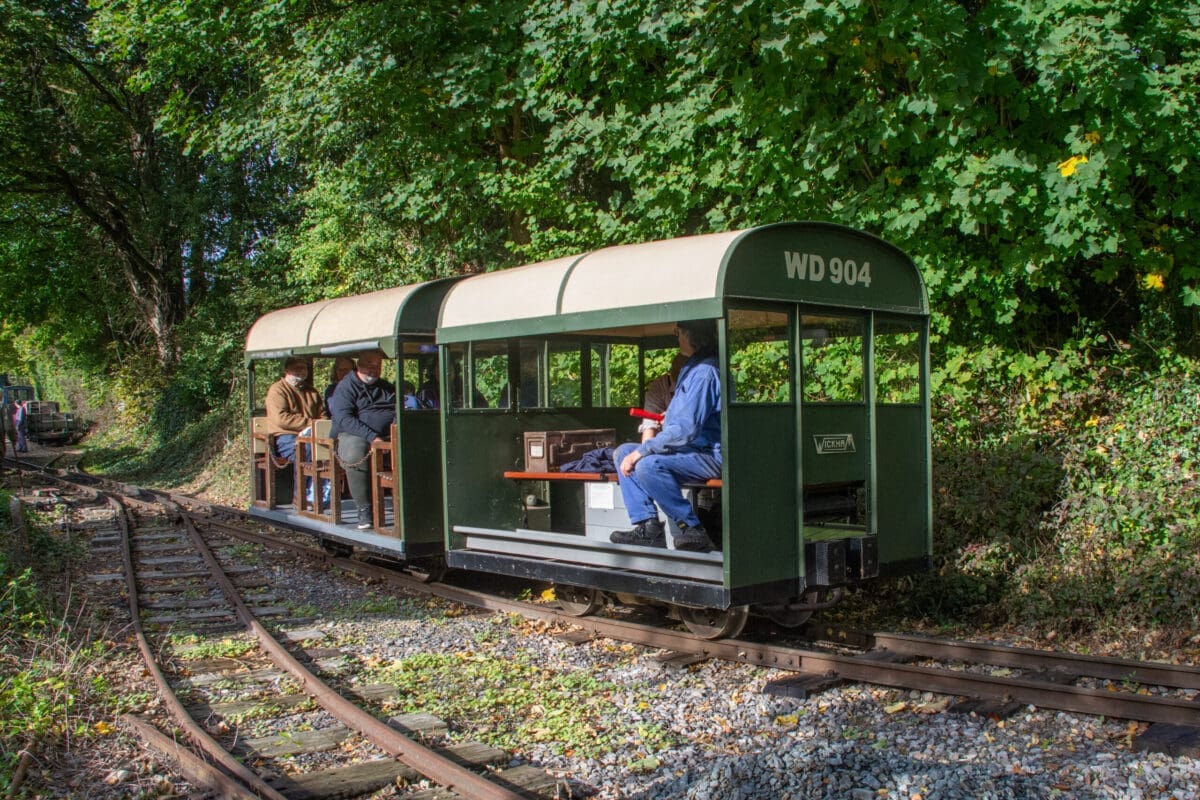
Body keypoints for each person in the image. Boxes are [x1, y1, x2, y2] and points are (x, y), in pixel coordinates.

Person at [610, 320, 722, 553]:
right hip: (689, 450)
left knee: (648, 465)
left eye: (680, 333)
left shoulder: (704, 373)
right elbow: (684, 419)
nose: (677, 338)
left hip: (709, 453)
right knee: (623, 451)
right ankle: (648, 527)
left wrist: (642, 451)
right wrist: (668, 418)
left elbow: (685, 429)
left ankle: (691, 528)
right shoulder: (691, 368)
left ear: (693, 336)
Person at [329, 349, 396, 529]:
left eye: (378, 366)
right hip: (351, 434)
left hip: (386, 434)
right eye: (369, 365)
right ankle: (364, 509)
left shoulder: (386, 388)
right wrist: (372, 436)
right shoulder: (345, 387)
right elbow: (345, 419)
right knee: (356, 451)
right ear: (359, 365)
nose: (374, 369)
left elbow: (397, 409)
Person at [265, 357, 323, 462]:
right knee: (306, 450)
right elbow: (281, 419)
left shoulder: (312, 391)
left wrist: (319, 426)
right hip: (286, 437)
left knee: (333, 447)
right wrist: (312, 424)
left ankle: (330, 479)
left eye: (304, 368)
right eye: (296, 368)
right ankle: (309, 479)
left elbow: (323, 415)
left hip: (313, 434)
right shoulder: (277, 390)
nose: (301, 371)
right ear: (286, 371)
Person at [638, 353, 688, 443]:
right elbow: (650, 425)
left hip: (693, 445)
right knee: (624, 450)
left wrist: (675, 418)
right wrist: (643, 452)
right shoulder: (660, 386)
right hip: (664, 443)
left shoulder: (704, 386)